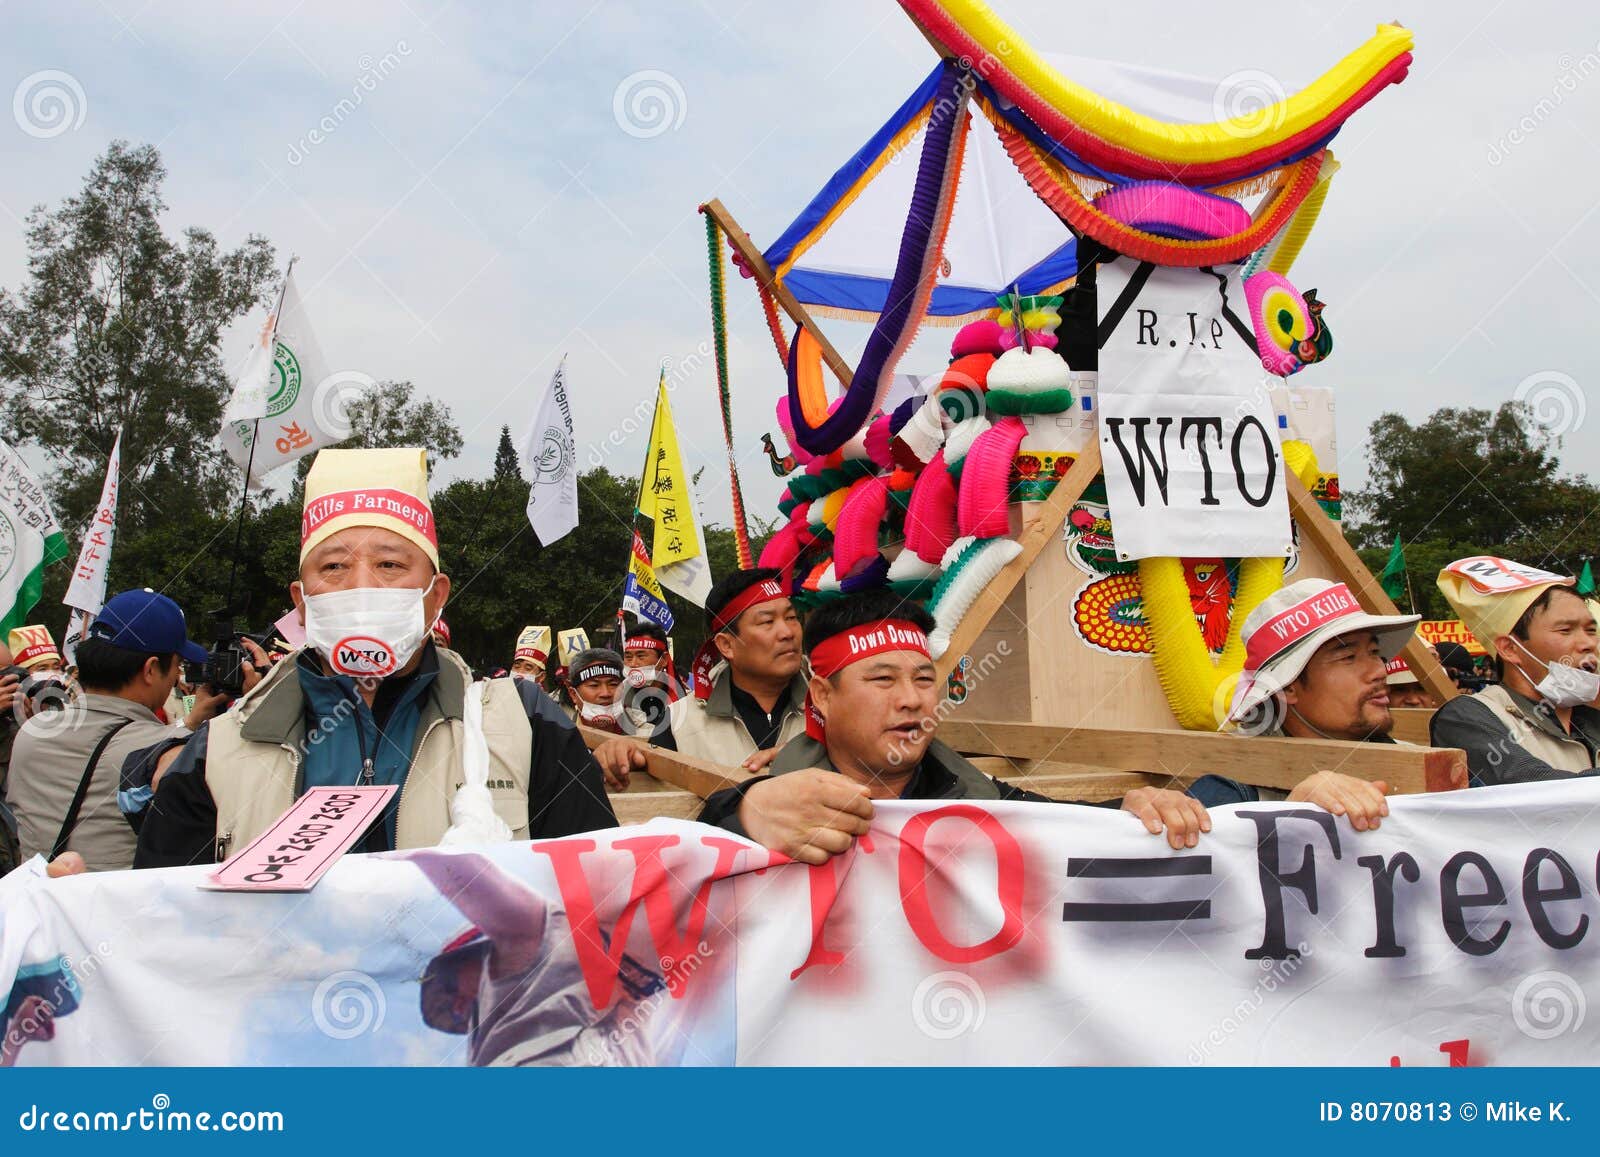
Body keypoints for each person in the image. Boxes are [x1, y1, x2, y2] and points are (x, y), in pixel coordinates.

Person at [131, 447, 615, 869]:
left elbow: (596, 901)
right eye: (334, 566)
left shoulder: (525, 725)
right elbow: (166, 934)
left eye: (389, 564)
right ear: (301, 602)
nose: (362, 586)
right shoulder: (217, 753)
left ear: (436, 595)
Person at [697, 592, 1211, 859]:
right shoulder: (772, 805)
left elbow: (1063, 826)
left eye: (924, 679)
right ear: (824, 696)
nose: (910, 700)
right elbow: (678, 860)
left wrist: (1129, 810)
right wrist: (743, 811)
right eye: (881, 679)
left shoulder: (983, 797)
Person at [3, 589, 228, 872]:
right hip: (118, 912)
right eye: (178, 665)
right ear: (150, 669)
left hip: (40, 910)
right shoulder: (174, 751)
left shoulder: (31, 732)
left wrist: (189, 725)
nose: (176, 676)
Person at [1188, 578, 1425, 829]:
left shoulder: (1419, 764)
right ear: (1289, 686)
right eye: (1348, 657)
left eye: (1375, 653)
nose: (1378, 670)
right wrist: (1288, 818)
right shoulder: (1231, 790)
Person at [409, 848, 667, 1065]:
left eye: (449, 993)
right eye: (458, 1022)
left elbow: (468, 878)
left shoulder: (525, 950)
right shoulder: (502, 1036)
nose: (461, 1010)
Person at [592, 570, 808, 788]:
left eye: (791, 618)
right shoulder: (678, 725)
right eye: (767, 622)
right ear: (726, 645)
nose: (787, 632)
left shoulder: (833, 705)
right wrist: (618, 755)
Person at [1430, 556, 1600, 785]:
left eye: (1591, 631)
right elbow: (1543, 792)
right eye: (1565, 630)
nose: (1588, 644)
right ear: (1511, 649)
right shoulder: (1465, 718)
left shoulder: (1589, 717)